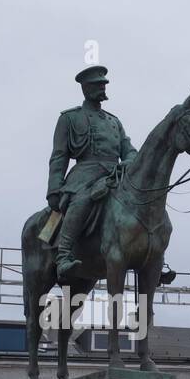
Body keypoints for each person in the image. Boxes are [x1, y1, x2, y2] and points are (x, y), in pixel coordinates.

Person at [47, 65, 137, 280]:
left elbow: (130, 150)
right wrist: (54, 190)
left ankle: (152, 258)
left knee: (142, 202)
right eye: (98, 85)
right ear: (86, 88)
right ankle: (63, 255)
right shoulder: (69, 118)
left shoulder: (114, 121)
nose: (103, 88)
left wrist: (128, 161)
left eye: (104, 84)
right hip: (84, 175)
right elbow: (59, 156)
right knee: (83, 200)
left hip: (115, 175)